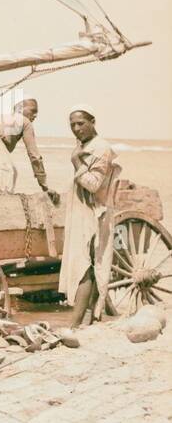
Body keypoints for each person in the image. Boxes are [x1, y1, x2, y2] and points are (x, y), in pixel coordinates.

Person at [59, 109, 120, 327]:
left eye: (81, 123)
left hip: (94, 214)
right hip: (82, 213)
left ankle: (74, 325)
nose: (76, 129)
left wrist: (75, 161)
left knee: (84, 264)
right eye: (72, 125)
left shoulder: (101, 148)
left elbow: (94, 184)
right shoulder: (86, 147)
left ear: (92, 122)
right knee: (85, 263)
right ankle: (90, 319)